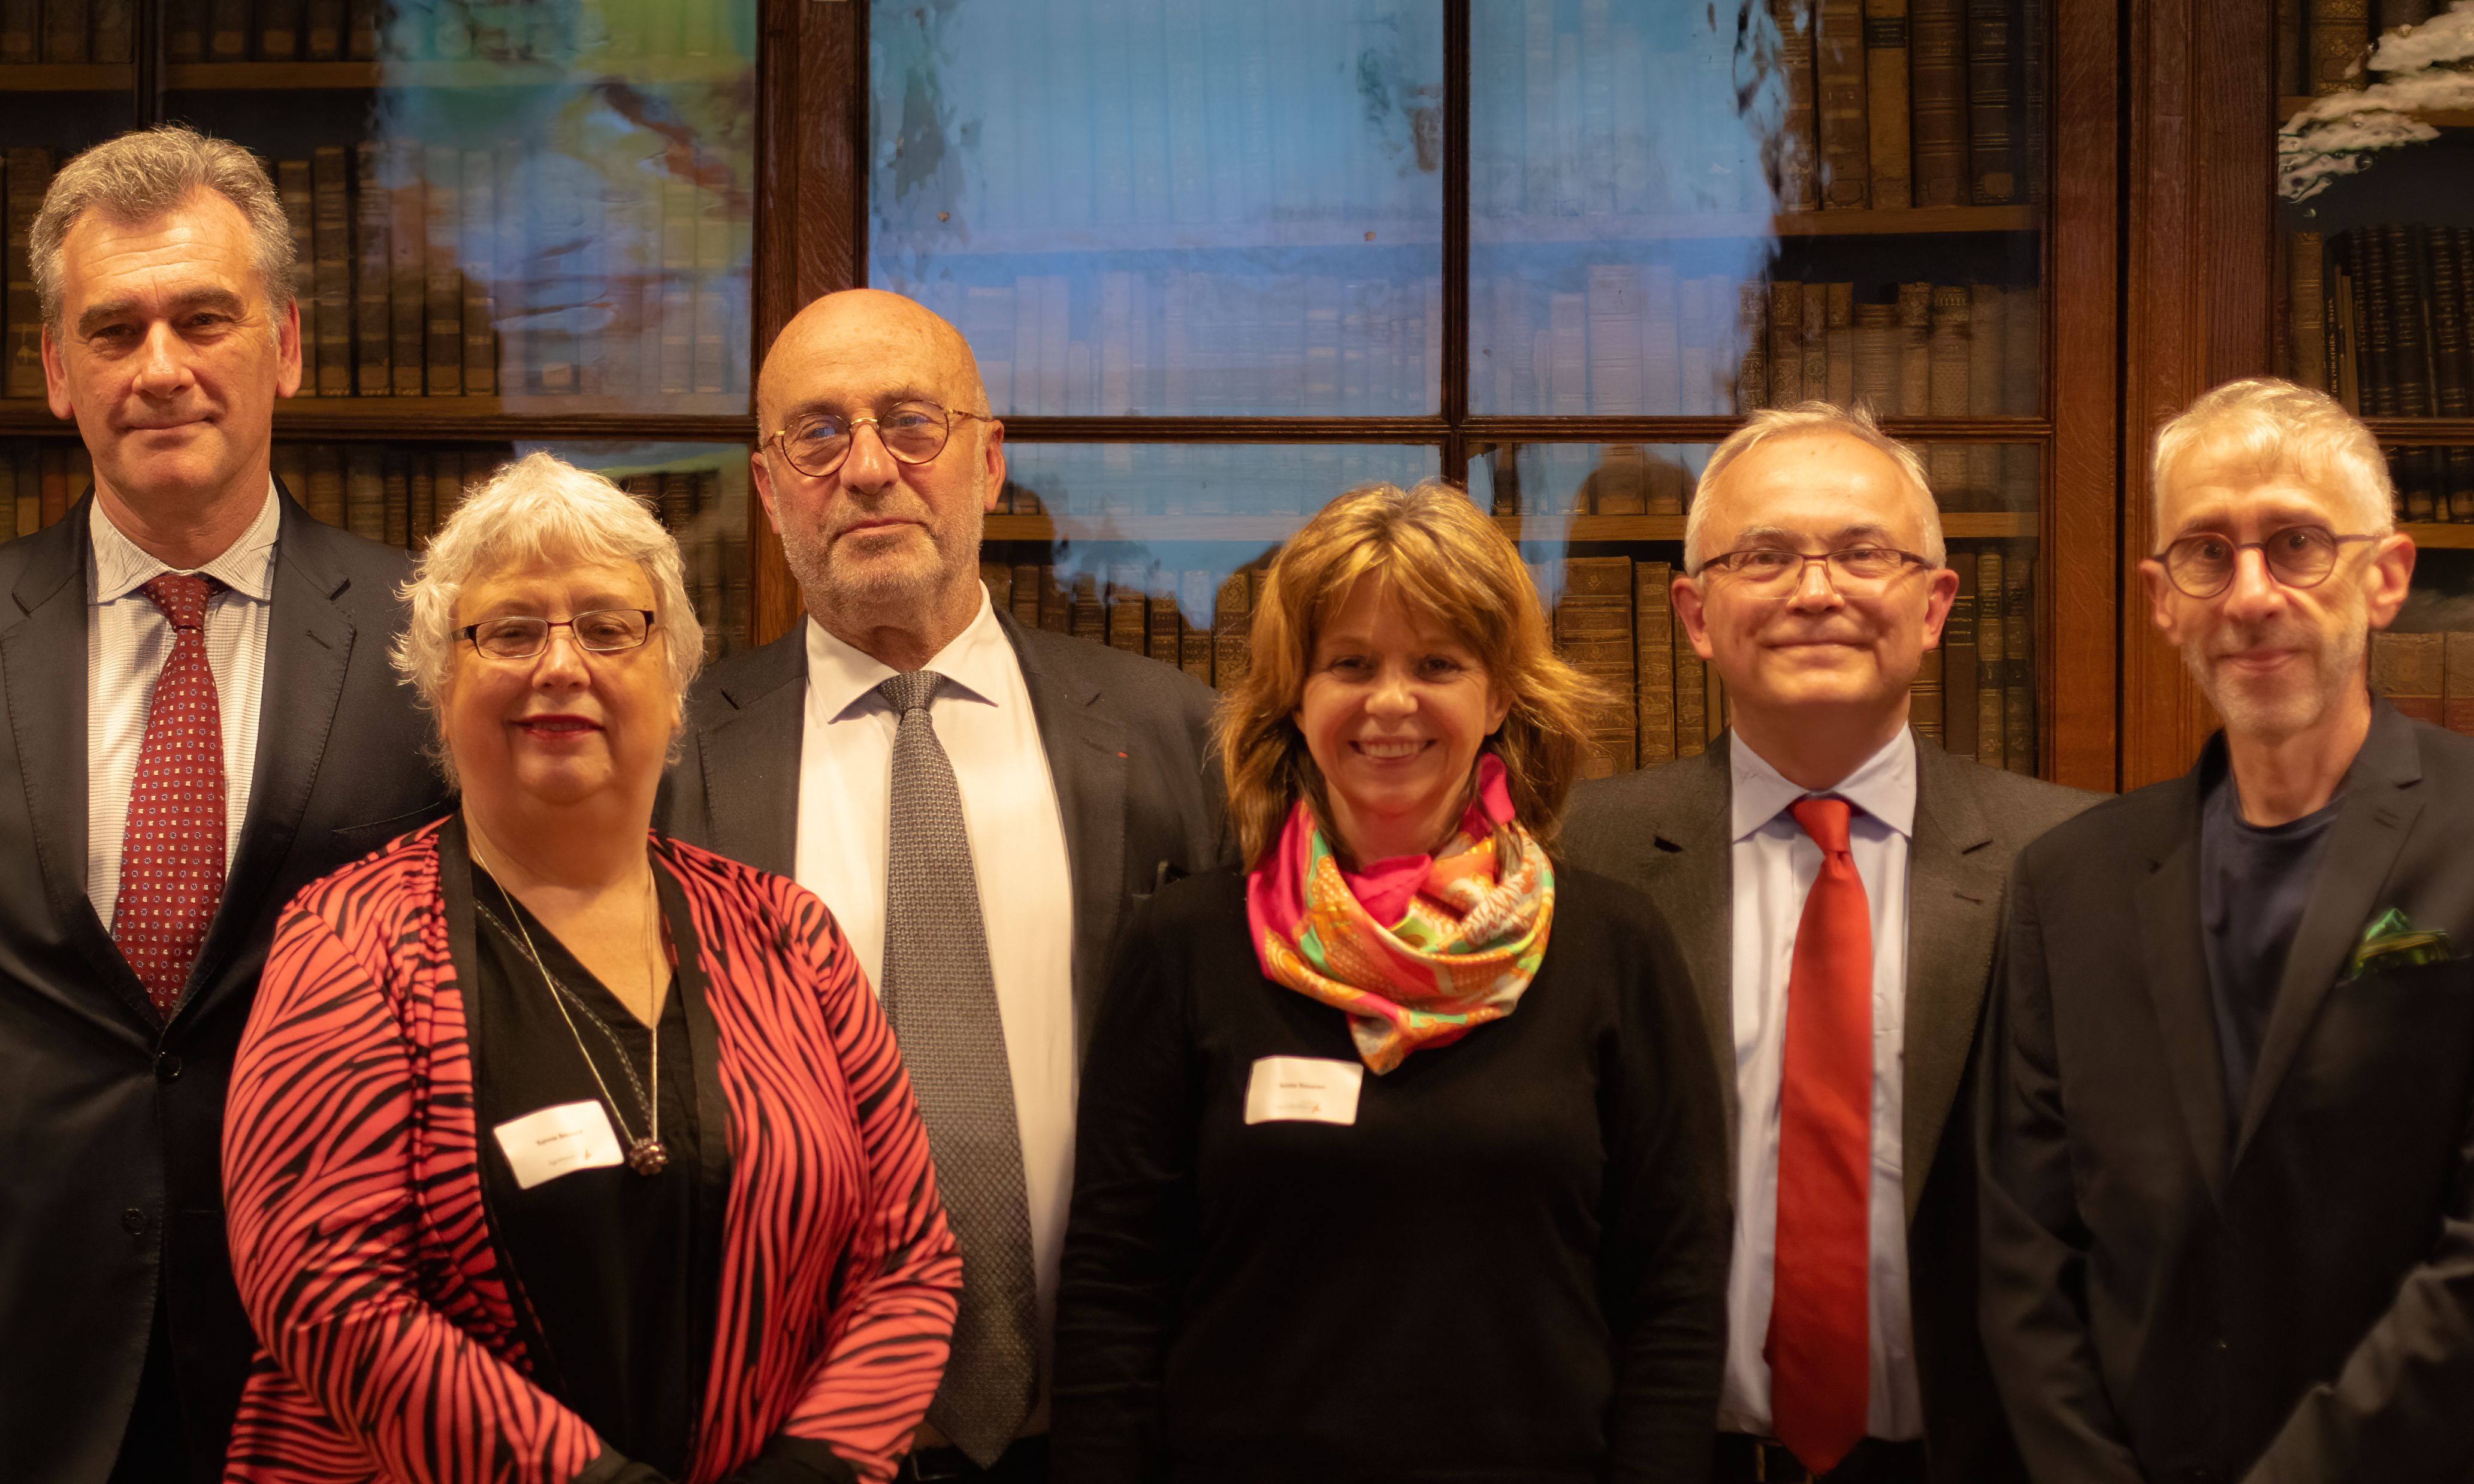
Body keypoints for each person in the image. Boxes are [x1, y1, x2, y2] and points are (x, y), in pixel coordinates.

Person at [220, 452, 962, 1484]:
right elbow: (321, 1284)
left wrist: (816, 1468)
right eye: (510, 631)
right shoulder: (348, 942)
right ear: (441, 690)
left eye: (610, 628)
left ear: (674, 688)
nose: (561, 664)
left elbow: (908, 1261)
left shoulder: (790, 937)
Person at [1052, 479, 1731, 1482]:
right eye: (1350, 664)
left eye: (1437, 664)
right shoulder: (1185, 946)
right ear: (1295, 695)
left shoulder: (1613, 946)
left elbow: (1675, 1287)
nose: (1390, 702)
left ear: (1499, 697)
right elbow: (1115, 1287)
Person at [663, 288, 1228, 1480]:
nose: (868, 470)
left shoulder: (1174, 734)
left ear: (989, 460)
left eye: (911, 422)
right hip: (793, 1439)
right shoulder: (675, 762)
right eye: (817, 435)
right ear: (767, 488)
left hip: (1117, 1429)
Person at [0, 126, 446, 1483]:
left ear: (287, 345)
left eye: (204, 319)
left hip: (335, 1357)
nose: (160, 368)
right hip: (26, 1349)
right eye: (113, 329)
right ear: (57, 371)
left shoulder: (433, 641)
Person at [1563, 404, 2097, 1484]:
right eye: (1763, 556)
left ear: (1934, 604)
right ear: (1694, 613)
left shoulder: (2069, 861)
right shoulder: (1577, 858)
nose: (1815, 592)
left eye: (1862, 553)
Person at [1979, 377, 2474, 1482]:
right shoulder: (2065, 883)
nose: (2250, 595)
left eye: (2297, 544)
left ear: (2385, 577)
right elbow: (2023, 1252)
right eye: (2207, 552)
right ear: (2162, 598)